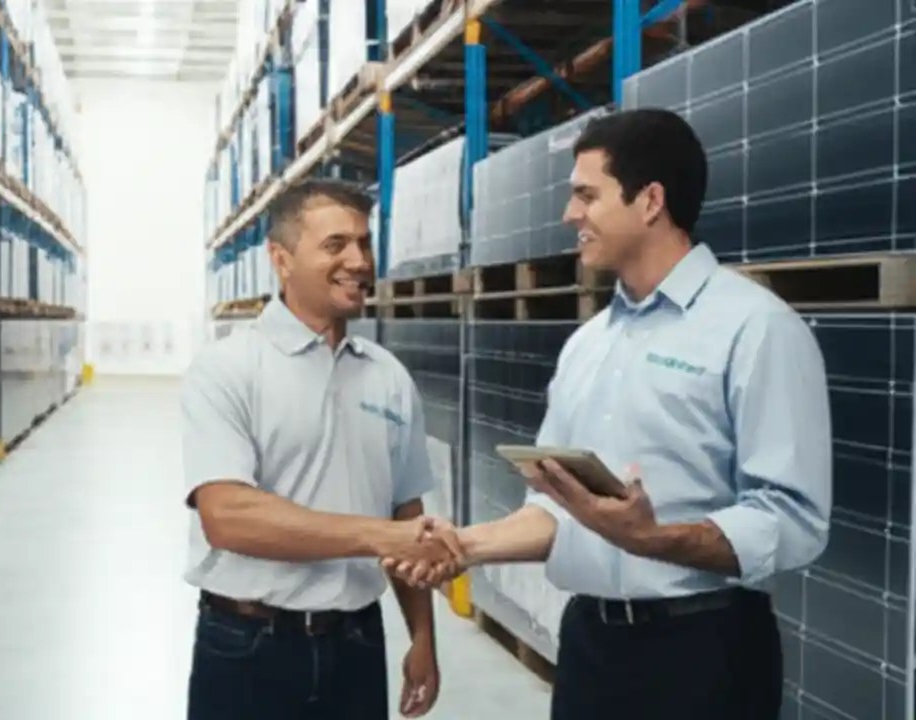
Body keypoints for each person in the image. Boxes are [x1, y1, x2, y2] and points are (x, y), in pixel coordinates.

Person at [386, 108, 832, 719]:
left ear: (650, 201)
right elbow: (557, 507)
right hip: (592, 648)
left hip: (705, 652)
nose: (571, 215)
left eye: (586, 195)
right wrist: (466, 544)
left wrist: (654, 540)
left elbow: (794, 519)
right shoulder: (588, 344)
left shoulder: (757, 330)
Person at [180, 178, 462, 719]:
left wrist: (422, 635)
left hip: (355, 640)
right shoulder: (229, 368)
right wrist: (379, 535)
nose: (358, 261)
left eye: (364, 244)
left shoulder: (387, 377)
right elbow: (228, 517)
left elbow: (406, 510)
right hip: (248, 644)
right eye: (335, 245)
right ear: (281, 260)